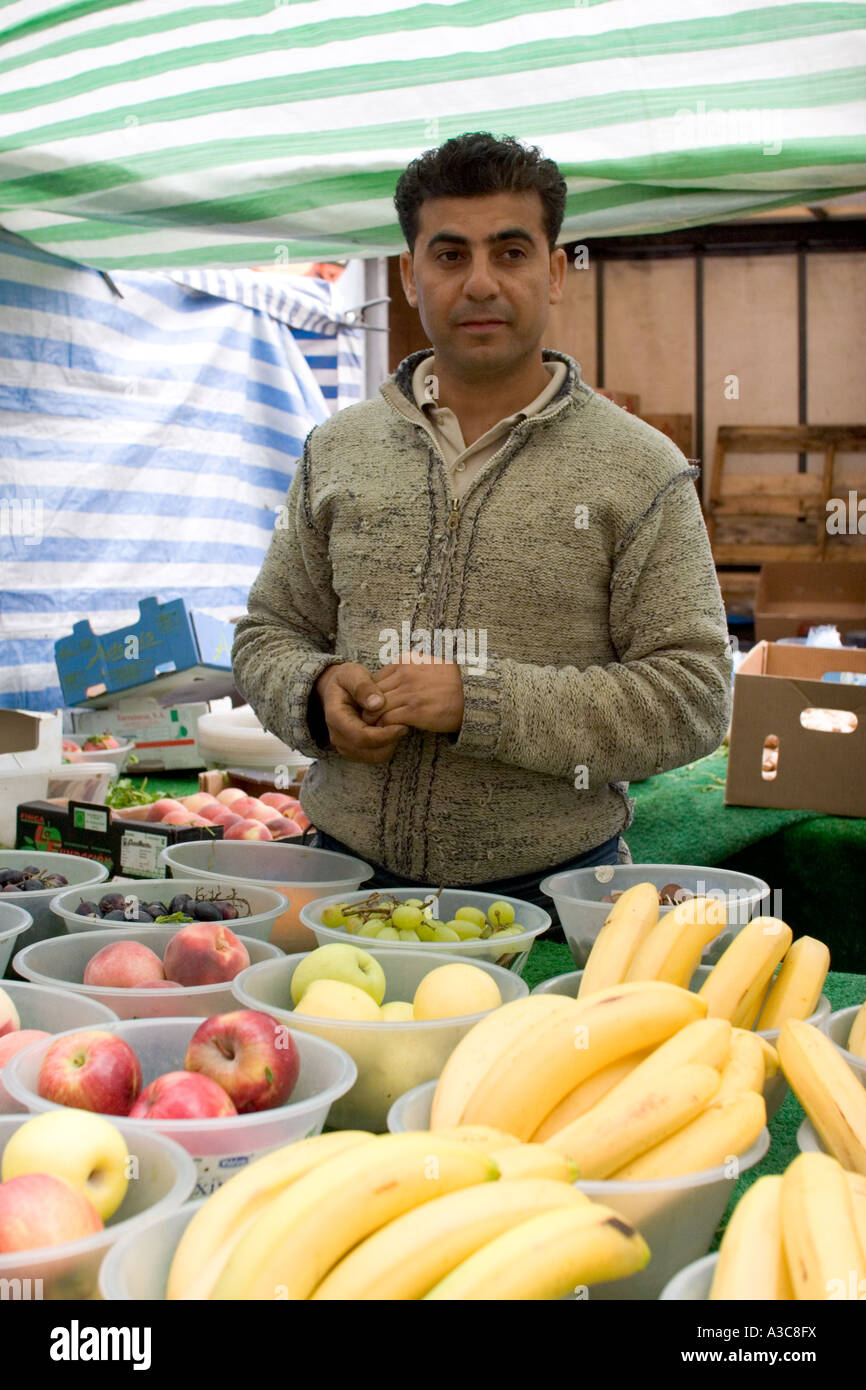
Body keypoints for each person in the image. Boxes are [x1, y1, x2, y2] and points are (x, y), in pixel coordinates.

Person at [231, 131, 732, 924]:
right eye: (451, 255)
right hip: (340, 886)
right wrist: (314, 690)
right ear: (409, 274)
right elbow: (269, 633)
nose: (481, 283)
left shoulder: (638, 468)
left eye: (511, 252)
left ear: (556, 270)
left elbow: (695, 694)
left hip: (554, 895)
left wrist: (481, 703)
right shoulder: (339, 449)